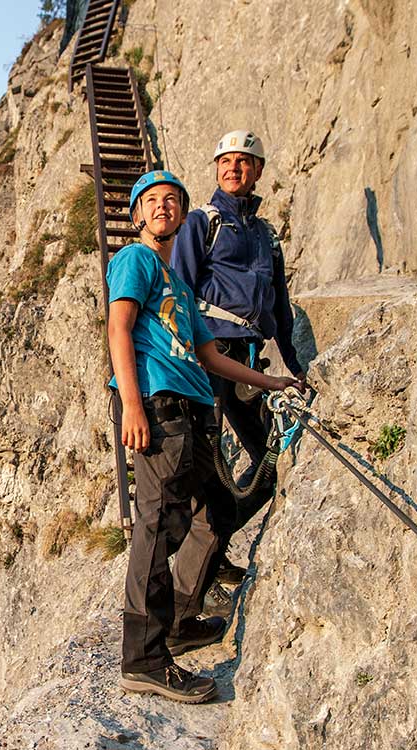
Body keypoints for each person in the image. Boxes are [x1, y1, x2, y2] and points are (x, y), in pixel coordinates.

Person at [108, 170, 298, 704]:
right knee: (160, 523)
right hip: (158, 404)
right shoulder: (135, 260)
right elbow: (119, 328)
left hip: (195, 411)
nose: (165, 206)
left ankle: (181, 620)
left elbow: (213, 356)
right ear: (139, 215)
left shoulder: (182, 290)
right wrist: (131, 404)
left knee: (217, 508)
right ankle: (143, 659)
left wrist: (272, 380)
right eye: (153, 201)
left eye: (174, 200)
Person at [168, 130, 307, 588]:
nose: (234, 168)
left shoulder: (267, 236)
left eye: (244, 162)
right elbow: (179, 291)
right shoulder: (200, 223)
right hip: (209, 359)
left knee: (271, 463)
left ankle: (213, 544)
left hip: (249, 361)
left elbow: (281, 308)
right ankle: (203, 568)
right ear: (216, 169)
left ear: (258, 171)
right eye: (226, 161)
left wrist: (296, 367)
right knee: (206, 469)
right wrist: (182, 360)